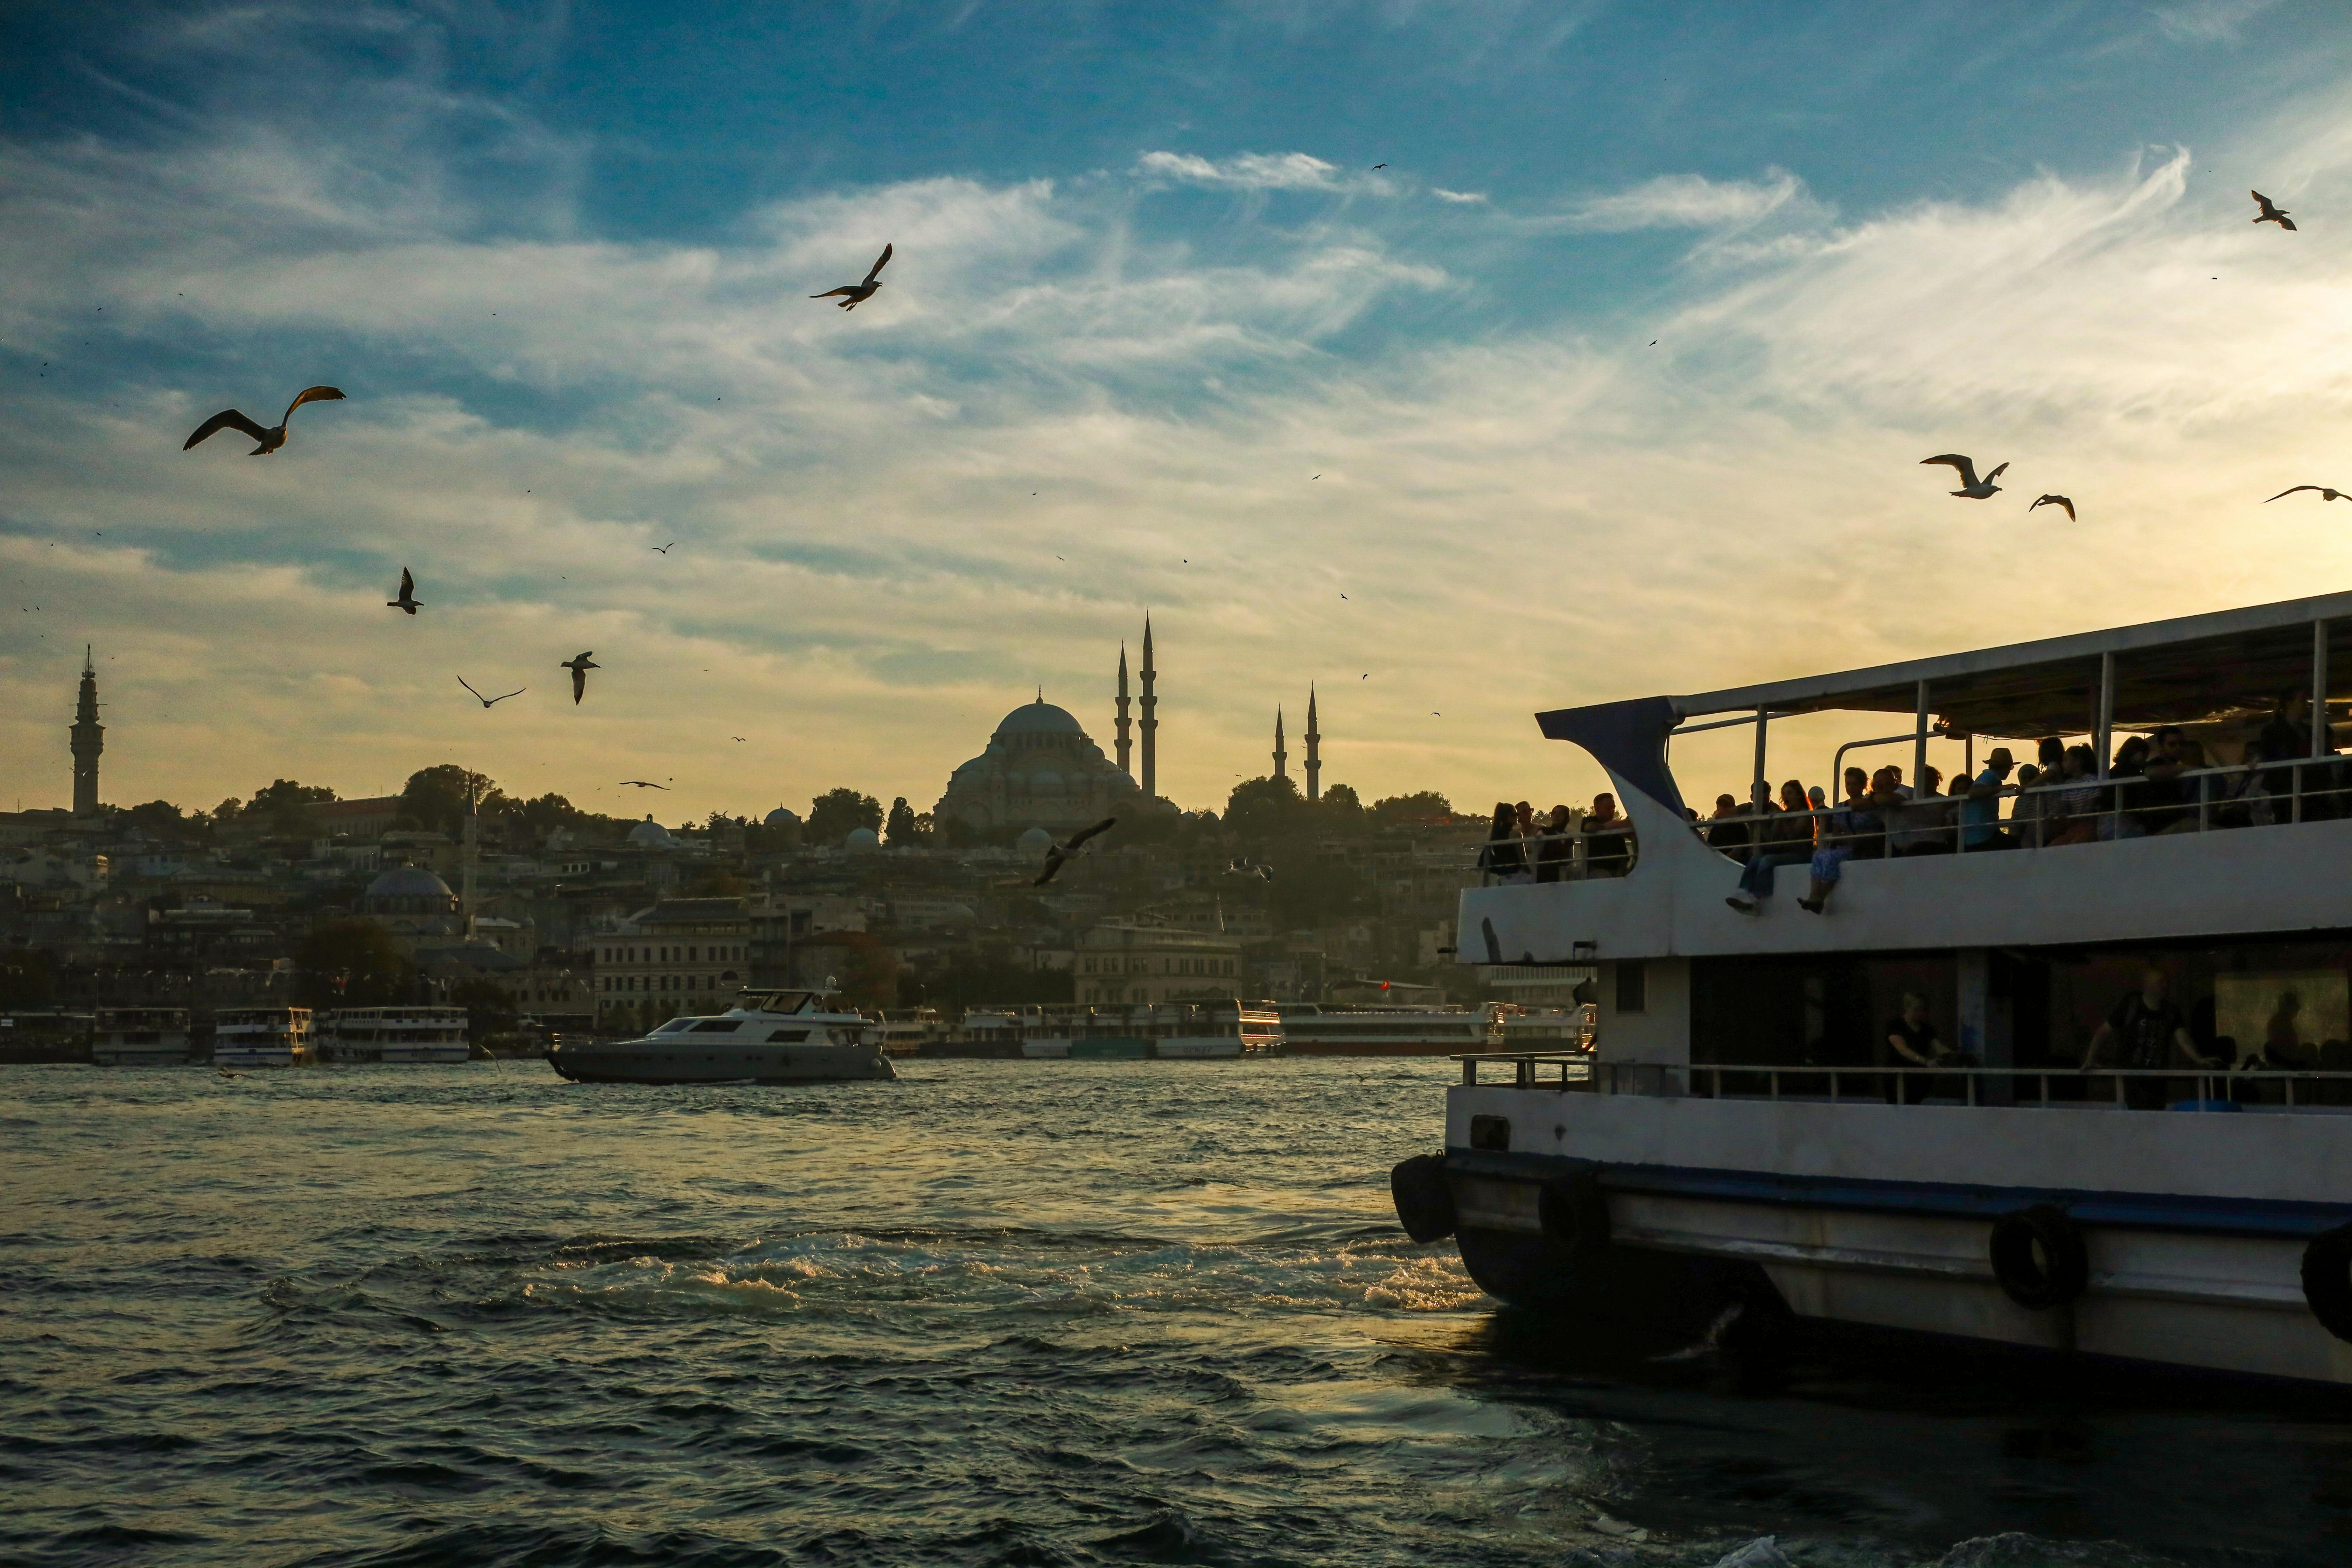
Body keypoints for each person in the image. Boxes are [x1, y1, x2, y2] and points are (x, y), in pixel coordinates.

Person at [2082, 966, 2222, 1108]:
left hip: (2157, 1082)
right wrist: (2090, 1058)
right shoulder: (2132, 1004)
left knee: (2155, 1119)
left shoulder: (2170, 1011)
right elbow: (2103, 1031)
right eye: (2161, 982)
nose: (2165, 986)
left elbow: (2183, 1038)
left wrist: (2199, 1059)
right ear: (2147, 984)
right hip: (2131, 1081)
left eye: (2167, 982)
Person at [2047, 745, 2105, 846]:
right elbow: (2065, 807)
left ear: (2077, 762)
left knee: (2075, 844)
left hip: (2091, 827)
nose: (2062, 764)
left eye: (2066, 760)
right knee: (2052, 846)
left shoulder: (2092, 781)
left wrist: (2072, 818)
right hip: (2074, 828)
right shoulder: (2068, 785)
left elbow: (2090, 808)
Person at [1960, 747, 2015, 851]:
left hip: (1978, 835)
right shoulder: (1990, 776)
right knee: (2016, 844)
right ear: (2006, 767)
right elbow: (1973, 793)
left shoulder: (1990, 777)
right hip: (1982, 836)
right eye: (2011, 767)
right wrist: (2002, 788)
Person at [1582, 792, 1633, 876]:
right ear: (1597, 809)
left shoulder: (1616, 830)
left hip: (1617, 871)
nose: (1612, 811)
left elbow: (1624, 856)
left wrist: (1620, 872)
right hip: (1596, 870)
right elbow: (1589, 827)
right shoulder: (1588, 820)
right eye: (1608, 808)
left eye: (1613, 808)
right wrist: (1607, 827)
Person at [1478, 802, 1526, 881]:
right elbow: (1524, 862)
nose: (1518, 817)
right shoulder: (1516, 834)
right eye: (1515, 815)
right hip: (1516, 874)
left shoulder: (1495, 834)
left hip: (1503, 876)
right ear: (1509, 817)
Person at [1534, 804, 1574, 883]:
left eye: (1560, 814)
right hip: (1546, 875)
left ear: (1566, 818)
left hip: (1564, 877)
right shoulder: (1544, 832)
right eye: (1554, 813)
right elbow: (1537, 854)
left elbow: (1571, 860)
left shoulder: (1569, 838)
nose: (1556, 816)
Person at [1705, 793, 1749, 862]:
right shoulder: (1716, 829)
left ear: (1733, 808)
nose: (1723, 808)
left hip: (1735, 863)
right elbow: (1710, 848)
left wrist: (1724, 860)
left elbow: (1741, 850)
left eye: (1726, 806)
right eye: (1721, 805)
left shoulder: (1741, 827)